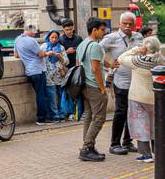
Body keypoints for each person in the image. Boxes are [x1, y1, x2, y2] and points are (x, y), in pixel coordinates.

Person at [101, 11, 143, 155]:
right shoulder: (111, 38)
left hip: (137, 80)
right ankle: (114, 143)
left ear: (134, 24)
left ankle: (127, 141)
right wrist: (108, 65)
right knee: (121, 112)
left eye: (130, 24)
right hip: (121, 81)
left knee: (134, 113)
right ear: (119, 24)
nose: (127, 26)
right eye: (124, 23)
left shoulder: (138, 37)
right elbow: (96, 51)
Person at [117, 35, 162, 162]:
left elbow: (121, 58)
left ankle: (146, 155)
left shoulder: (138, 61)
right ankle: (158, 152)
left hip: (137, 98)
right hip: (156, 98)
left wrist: (136, 49)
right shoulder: (160, 61)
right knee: (155, 126)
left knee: (141, 125)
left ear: (145, 47)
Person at [76, 16, 109, 161]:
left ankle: (88, 146)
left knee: (89, 116)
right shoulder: (95, 46)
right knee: (99, 118)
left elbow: (81, 64)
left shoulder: (82, 44)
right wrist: (102, 88)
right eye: (102, 30)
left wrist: (109, 64)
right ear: (94, 30)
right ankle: (86, 148)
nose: (104, 33)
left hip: (85, 86)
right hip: (95, 86)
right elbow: (95, 69)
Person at [13, 21, 56, 124]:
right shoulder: (31, 41)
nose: (35, 33)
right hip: (38, 70)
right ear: (30, 31)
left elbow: (16, 55)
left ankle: (43, 117)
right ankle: (42, 118)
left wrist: (27, 56)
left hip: (29, 70)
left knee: (39, 94)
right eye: (34, 31)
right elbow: (41, 54)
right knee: (41, 95)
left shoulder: (17, 39)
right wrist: (48, 53)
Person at [40, 29, 70, 121]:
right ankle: (54, 114)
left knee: (60, 95)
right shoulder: (44, 46)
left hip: (59, 75)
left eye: (56, 37)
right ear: (48, 37)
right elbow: (39, 57)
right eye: (52, 37)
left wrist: (60, 56)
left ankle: (61, 113)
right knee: (52, 96)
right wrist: (47, 54)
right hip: (48, 75)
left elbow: (66, 62)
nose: (54, 39)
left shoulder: (61, 48)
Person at [59, 19, 83, 122]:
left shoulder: (78, 38)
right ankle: (68, 113)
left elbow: (82, 51)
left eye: (70, 29)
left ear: (73, 28)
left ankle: (78, 112)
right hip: (66, 69)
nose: (69, 31)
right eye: (67, 30)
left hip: (76, 67)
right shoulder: (60, 40)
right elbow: (58, 55)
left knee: (78, 90)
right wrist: (66, 52)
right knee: (67, 92)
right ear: (63, 29)